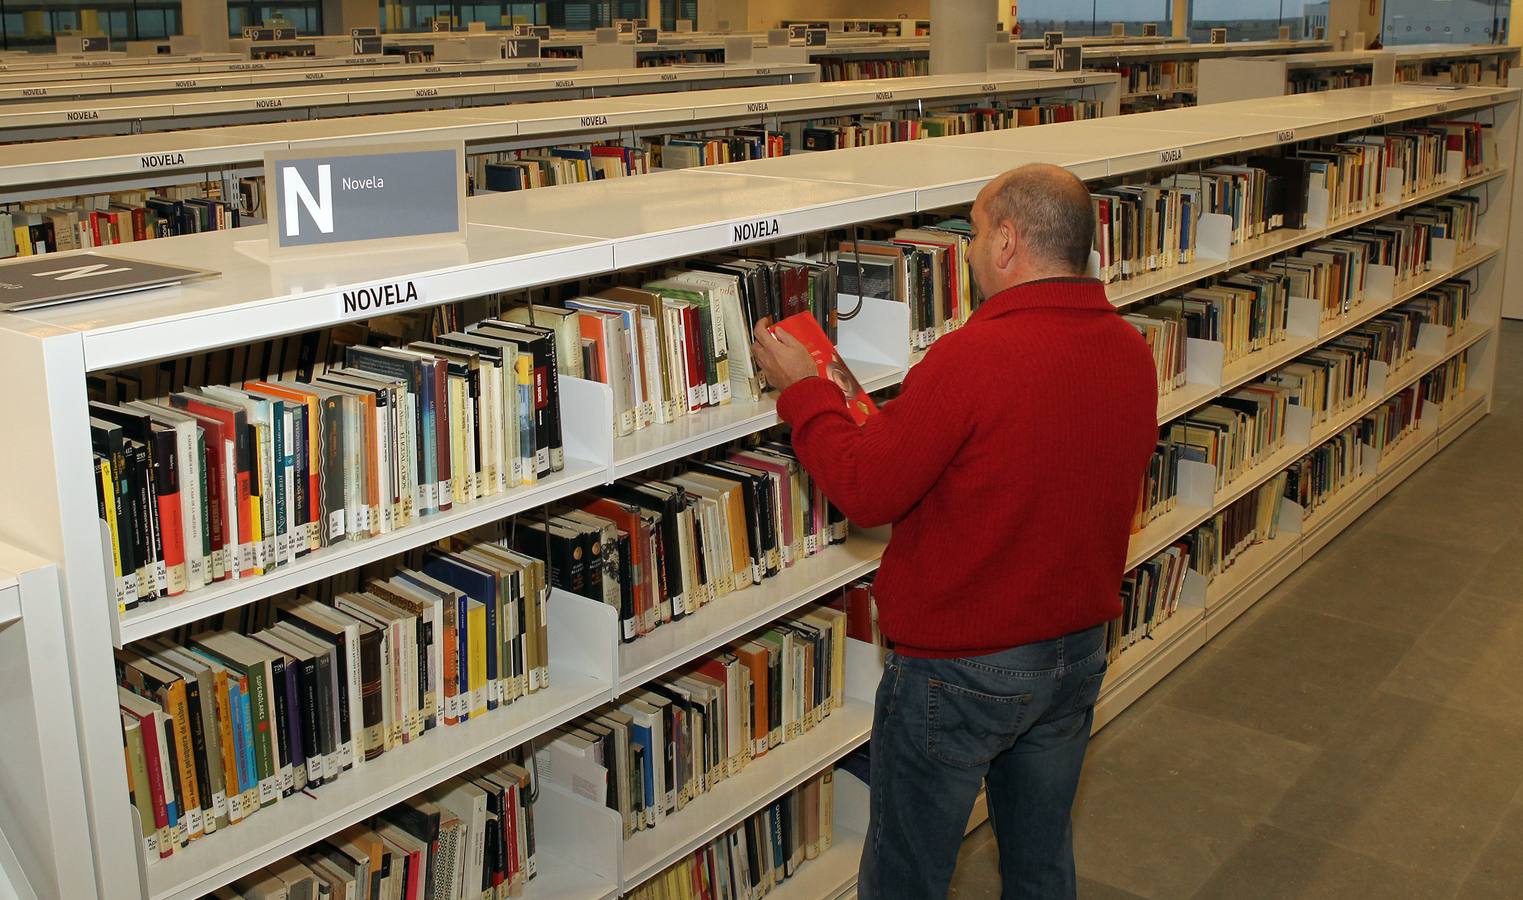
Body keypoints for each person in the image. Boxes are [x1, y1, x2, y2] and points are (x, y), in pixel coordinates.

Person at [750, 163, 1159, 900]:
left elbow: (867, 492)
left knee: (907, 874)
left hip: (962, 667)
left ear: (1006, 243)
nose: (965, 255)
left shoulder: (973, 357)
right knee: (1038, 860)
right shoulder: (1128, 349)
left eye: (970, 235)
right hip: (1075, 653)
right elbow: (1019, 468)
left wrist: (805, 392)